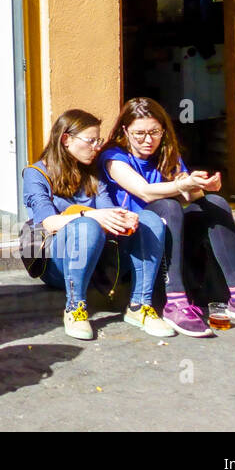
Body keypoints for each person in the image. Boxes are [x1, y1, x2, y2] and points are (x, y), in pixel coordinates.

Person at [99, 97, 235, 336]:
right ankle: (175, 302)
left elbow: (191, 195)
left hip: (171, 235)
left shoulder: (167, 154)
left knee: (215, 204)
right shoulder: (114, 157)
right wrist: (184, 184)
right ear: (125, 130)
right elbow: (145, 192)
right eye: (139, 133)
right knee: (168, 206)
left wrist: (205, 186)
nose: (148, 140)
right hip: (135, 241)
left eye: (155, 131)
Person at [23, 109, 173, 340]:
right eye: (91, 141)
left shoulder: (93, 172)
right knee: (86, 226)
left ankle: (139, 306)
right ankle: (75, 308)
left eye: (98, 141)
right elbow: (49, 222)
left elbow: (107, 210)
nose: (96, 147)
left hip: (101, 257)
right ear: (66, 139)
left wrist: (124, 217)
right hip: (59, 262)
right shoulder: (36, 173)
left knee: (149, 219)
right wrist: (90, 216)